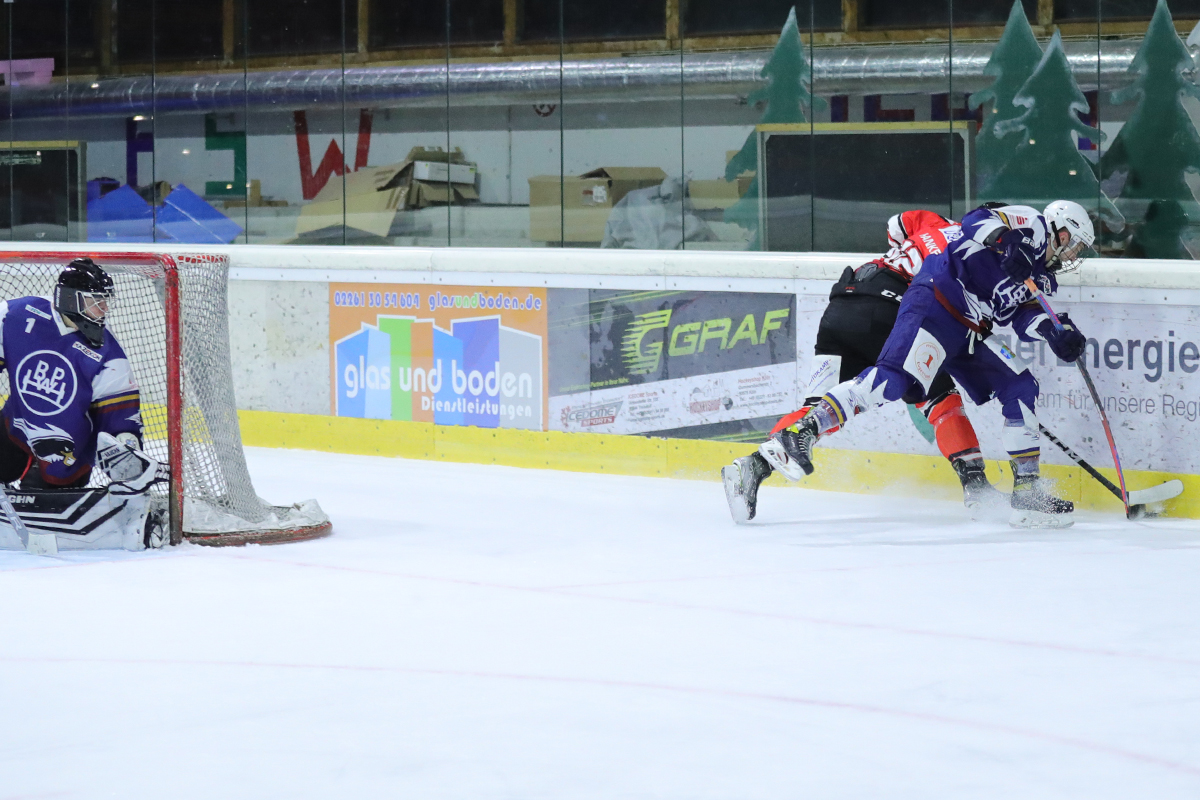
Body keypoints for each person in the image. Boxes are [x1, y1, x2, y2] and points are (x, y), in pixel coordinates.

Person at [739, 200, 1093, 529]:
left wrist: (1053, 332)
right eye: (1075, 244)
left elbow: (1019, 315)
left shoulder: (1044, 277)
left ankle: (1027, 493)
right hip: (937, 301)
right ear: (1061, 230)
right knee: (893, 381)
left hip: (971, 329)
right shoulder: (1030, 223)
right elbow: (975, 220)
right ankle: (802, 432)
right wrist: (1005, 240)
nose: (1075, 254)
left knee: (1020, 386)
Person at [723, 209, 1002, 522]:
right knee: (941, 398)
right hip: (890, 311)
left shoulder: (932, 221)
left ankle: (751, 466)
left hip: (843, 305)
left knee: (817, 408)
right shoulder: (979, 254)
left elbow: (895, 225)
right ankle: (976, 486)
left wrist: (909, 250)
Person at [0, 258, 165, 550]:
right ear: (69, 300)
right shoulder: (17, 315)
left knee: (43, 517)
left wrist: (125, 445)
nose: (102, 311)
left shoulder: (108, 356)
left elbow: (120, 416)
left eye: (105, 303)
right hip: (13, 432)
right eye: (94, 302)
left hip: (66, 458)